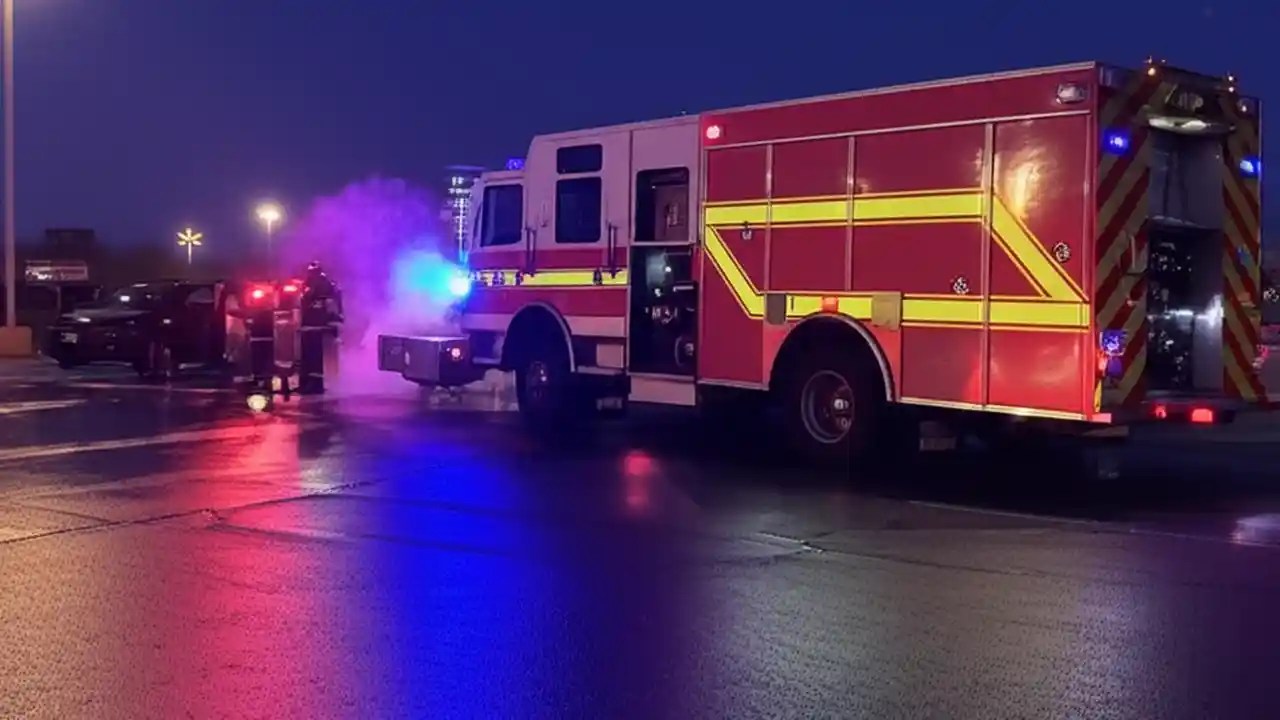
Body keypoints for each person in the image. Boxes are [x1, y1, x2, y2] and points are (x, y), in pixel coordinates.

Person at [298, 262, 343, 393]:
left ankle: (317, 384)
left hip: (319, 328)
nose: (311, 275)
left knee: (317, 357)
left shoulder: (325, 286)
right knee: (308, 357)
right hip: (308, 327)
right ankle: (307, 382)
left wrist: (332, 324)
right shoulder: (307, 285)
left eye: (313, 272)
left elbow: (332, 308)